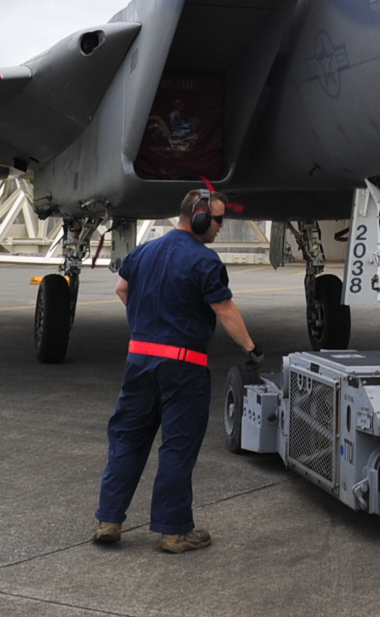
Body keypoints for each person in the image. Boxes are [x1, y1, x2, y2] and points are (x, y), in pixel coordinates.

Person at [92, 189, 259, 554]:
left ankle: (109, 520)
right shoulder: (204, 260)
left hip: (139, 362)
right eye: (217, 221)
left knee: (127, 440)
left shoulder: (144, 251)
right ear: (199, 219)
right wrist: (250, 347)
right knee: (177, 447)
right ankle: (173, 530)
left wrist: (147, 322)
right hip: (184, 367)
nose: (219, 228)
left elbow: (122, 289)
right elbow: (225, 310)